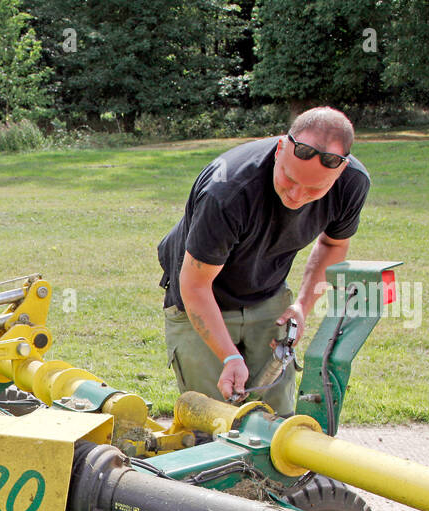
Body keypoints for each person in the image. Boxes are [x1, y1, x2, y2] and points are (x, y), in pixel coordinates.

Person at [157, 106, 371, 416]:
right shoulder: (227, 191)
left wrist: (302, 305)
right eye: (289, 178)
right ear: (281, 148)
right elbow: (195, 285)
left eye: (315, 189)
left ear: (340, 171)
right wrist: (229, 357)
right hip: (202, 297)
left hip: (267, 292)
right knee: (213, 421)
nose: (296, 195)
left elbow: (333, 243)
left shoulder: (352, 184)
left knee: (276, 421)